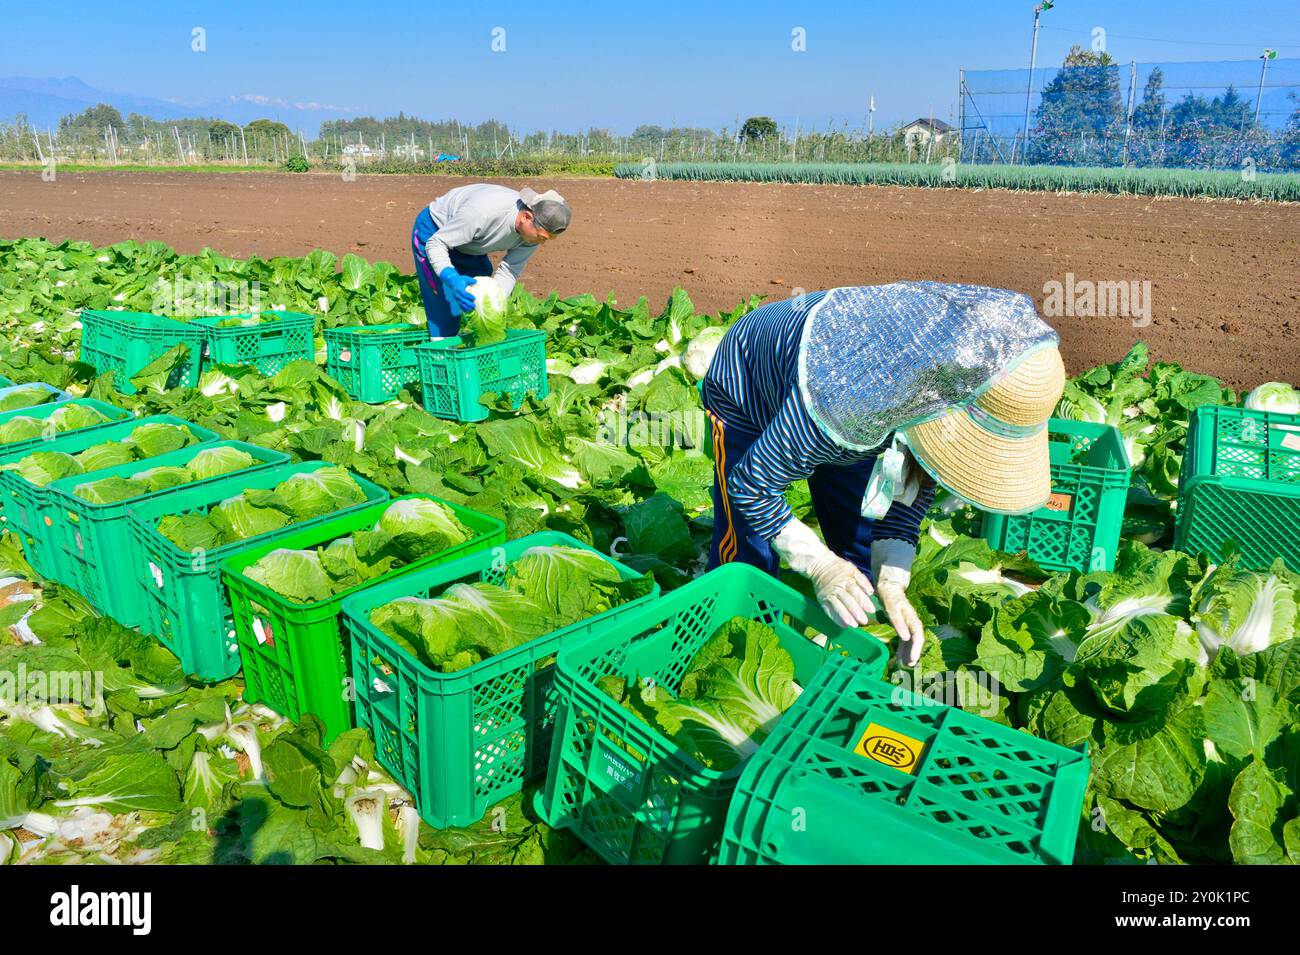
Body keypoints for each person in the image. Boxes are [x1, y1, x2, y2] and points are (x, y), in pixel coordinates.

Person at [701, 281, 1065, 666]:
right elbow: (751, 485)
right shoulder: (844, 398)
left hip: (870, 389)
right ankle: (727, 641)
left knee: (860, 540)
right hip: (751, 379)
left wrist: (891, 582)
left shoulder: (951, 376)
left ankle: (843, 637)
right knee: (747, 551)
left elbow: (916, 478)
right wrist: (819, 565)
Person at [410, 184, 571, 337]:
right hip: (434, 231)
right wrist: (451, 277)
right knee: (442, 305)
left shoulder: (532, 235)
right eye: (541, 237)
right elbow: (436, 243)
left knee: (479, 295)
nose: (542, 243)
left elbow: (510, 269)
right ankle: (441, 354)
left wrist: (495, 304)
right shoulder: (482, 212)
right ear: (526, 217)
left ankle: (471, 349)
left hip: (471, 244)